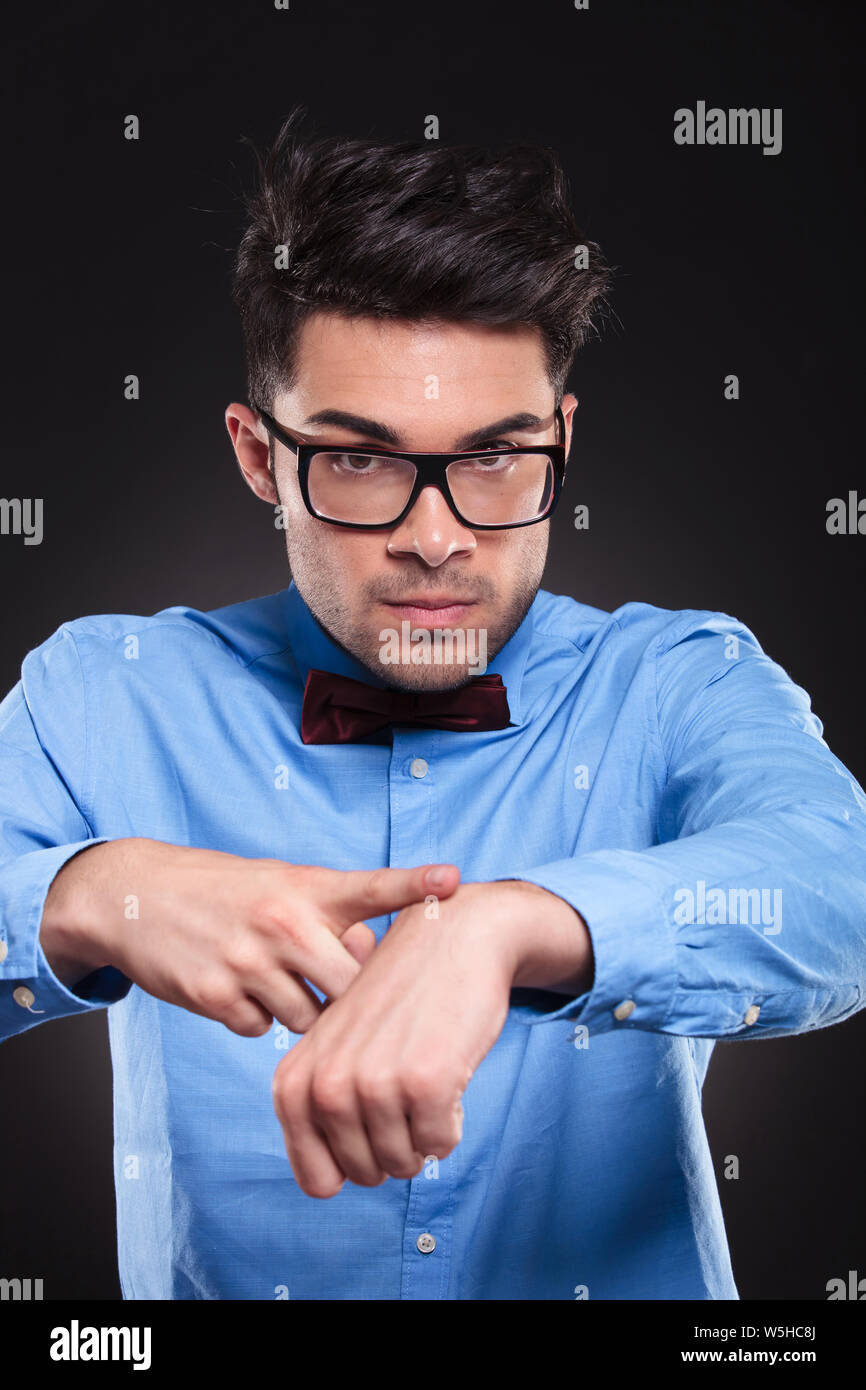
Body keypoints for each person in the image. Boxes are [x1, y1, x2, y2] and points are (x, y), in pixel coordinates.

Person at [1, 110, 864, 1301]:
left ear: (561, 443)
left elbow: (842, 888)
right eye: (357, 458)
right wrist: (87, 895)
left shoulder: (678, 678)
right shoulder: (99, 696)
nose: (436, 535)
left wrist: (510, 923)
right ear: (260, 458)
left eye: (496, 455)